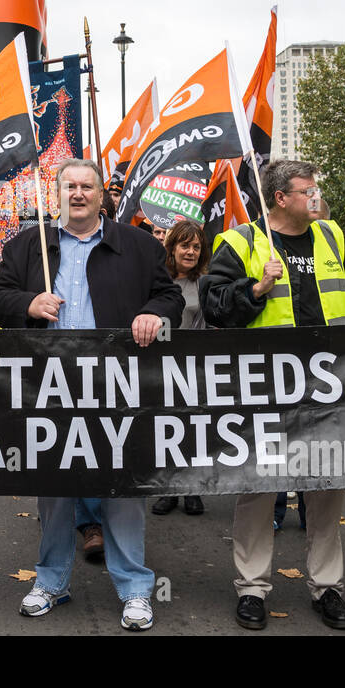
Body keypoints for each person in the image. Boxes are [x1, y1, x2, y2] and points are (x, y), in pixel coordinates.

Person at [201, 159, 345, 633]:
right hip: (265, 391)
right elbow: (214, 307)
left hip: (329, 389)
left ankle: (328, 588)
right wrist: (254, 289)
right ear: (280, 198)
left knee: (326, 488)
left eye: (315, 190)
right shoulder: (239, 242)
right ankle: (253, 589)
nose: (316, 198)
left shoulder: (333, 238)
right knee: (259, 490)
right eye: (307, 191)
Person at [0, 159, 184, 632]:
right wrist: (27, 304)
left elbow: (170, 295)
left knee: (121, 485)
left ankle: (135, 589)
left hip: (116, 385)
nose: (78, 193)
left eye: (86, 186)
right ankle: (51, 581)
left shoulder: (135, 245)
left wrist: (155, 313)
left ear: (101, 195)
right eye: (69, 186)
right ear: (57, 193)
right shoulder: (29, 245)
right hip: (48, 387)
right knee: (54, 489)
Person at [150, 218, 209, 517]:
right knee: (167, 429)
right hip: (161, 365)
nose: (191, 252)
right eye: (185, 245)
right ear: (171, 248)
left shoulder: (205, 281)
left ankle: (192, 490)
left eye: (196, 247)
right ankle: (168, 490)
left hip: (195, 366)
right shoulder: (157, 281)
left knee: (193, 428)